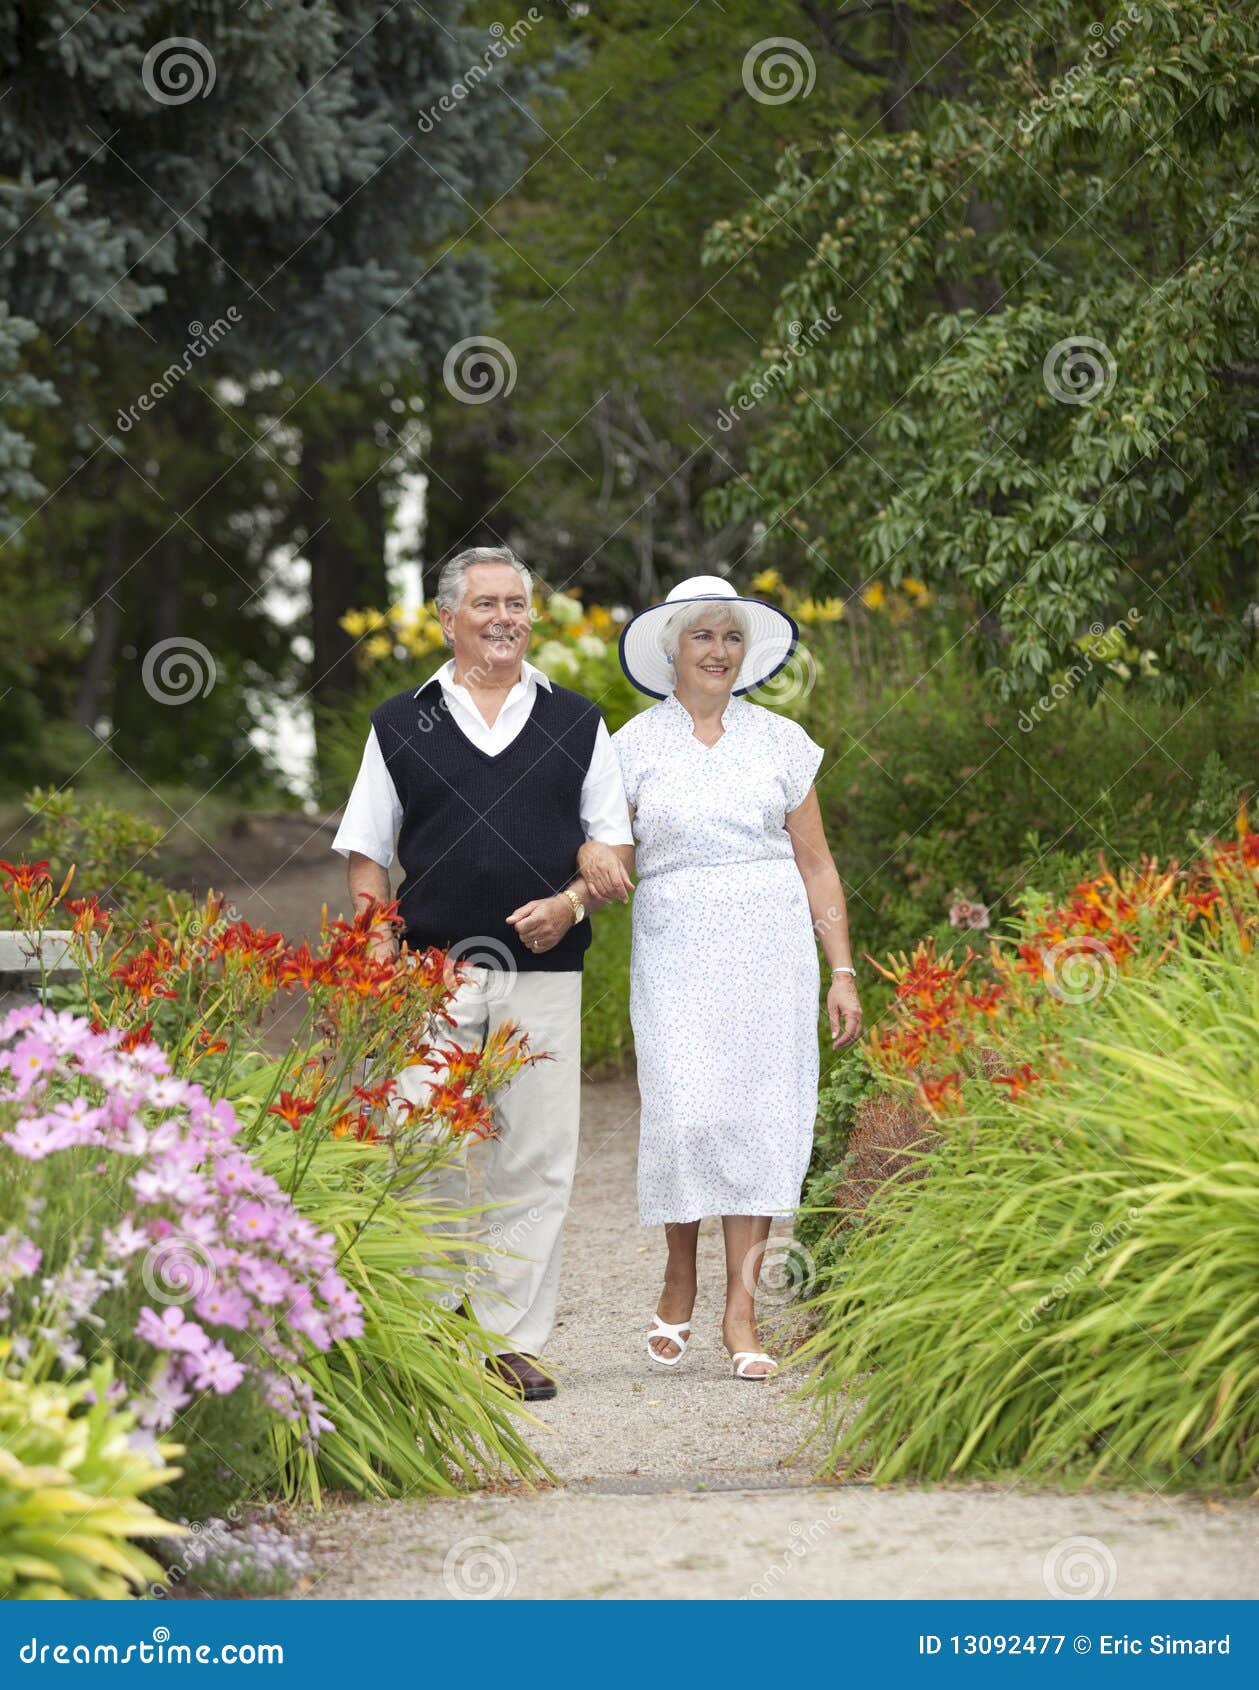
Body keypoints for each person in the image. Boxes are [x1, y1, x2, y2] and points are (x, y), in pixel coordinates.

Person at [332, 545, 633, 1402]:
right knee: (419, 1145)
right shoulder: (400, 722)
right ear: (447, 618)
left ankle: (508, 1340)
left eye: (517, 604)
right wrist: (380, 953)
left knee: (536, 1159)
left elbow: (610, 844)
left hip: (544, 973)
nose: (505, 618)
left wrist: (571, 903)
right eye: (487, 604)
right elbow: (366, 855)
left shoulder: (576, 721)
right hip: (432, 975)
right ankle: (429, 1328)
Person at [579, 575, 862, 1381]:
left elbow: (817, 864)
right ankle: (679, 1274)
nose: (717, 651)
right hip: (676, 947)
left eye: (731, 637)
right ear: (672, 648)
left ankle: (740, 1312)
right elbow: (607, 850)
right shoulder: (630, 744)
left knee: (759, 1116)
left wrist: (840, 972)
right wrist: (587, 864)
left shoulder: (781, 741)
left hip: (771, 946)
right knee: (687, 1111)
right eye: (703, 636)